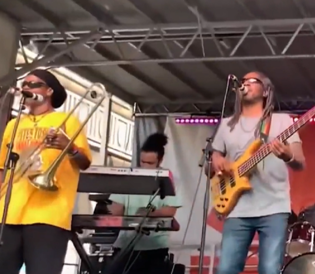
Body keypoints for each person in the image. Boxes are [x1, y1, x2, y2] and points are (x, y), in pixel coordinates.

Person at [210, 71, 305, 274]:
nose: (246, 84)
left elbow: (300, 162)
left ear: (266, 91)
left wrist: (287, 155)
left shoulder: (281, 121)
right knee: (226, 269)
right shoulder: (227, 125)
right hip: (237, 208)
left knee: (270, 269)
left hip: (274, 207)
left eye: (253, 81)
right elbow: (214, 159)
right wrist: (217, 160)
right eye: (243, 81)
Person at [0, 69, 93, 274]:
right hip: (8, 212)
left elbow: (84, 162)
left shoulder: (67, 120)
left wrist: (69, 147)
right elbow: (2, 168)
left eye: (33, 84)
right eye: (24, 84)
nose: (26, 88)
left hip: (49, 214)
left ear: (49, 91)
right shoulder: (14, 125)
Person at [108, 133, 181, 274]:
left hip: (155, 246)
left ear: (160, 161)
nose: (145, 166)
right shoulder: (127, 178)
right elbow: (116, 210)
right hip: (126, 243)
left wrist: (149, 213)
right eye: (142, 162)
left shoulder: (167, 178)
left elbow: (170, 211)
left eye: (150, 163)